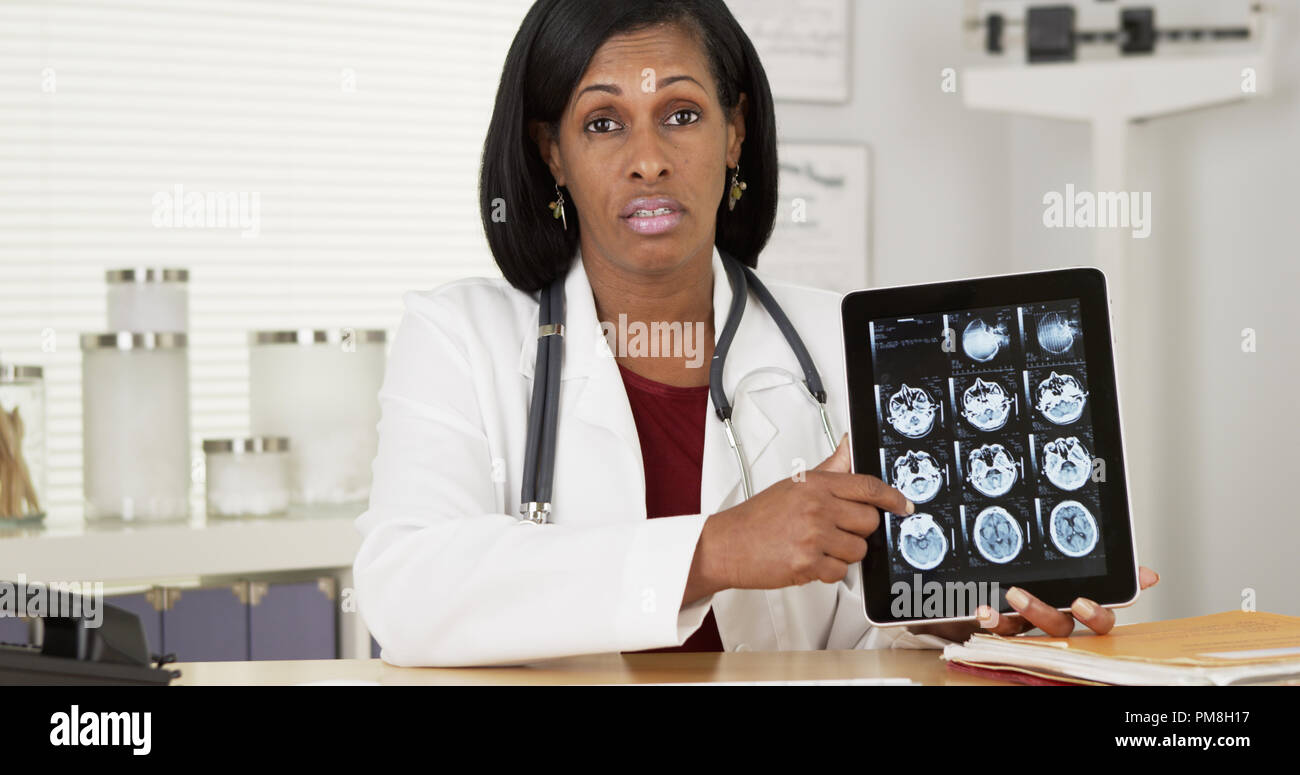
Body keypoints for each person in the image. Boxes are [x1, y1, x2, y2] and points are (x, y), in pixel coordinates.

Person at [352, 0, 1158, 667]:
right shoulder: (462, 336)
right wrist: (714, 549)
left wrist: (955, 621)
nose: (648, 161)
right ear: (549, 152)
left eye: (680, 113)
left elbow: (863, 632)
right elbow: (408, 589)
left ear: (734, 134)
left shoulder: (844, 342)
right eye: (603, 123)